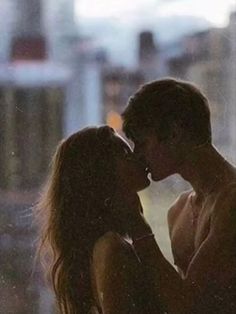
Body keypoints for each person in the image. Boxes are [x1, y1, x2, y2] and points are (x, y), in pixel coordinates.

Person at [121, 78, 236, 313]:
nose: (137, 155)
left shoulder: (232, 202)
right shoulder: (178, 211)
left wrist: (136, 224)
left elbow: (189, 304)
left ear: (173, 133)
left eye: (142, 143)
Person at [35, 126, 163, 314]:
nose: (138, 157)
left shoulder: (107, 244)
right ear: (101, 172)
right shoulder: (111, 247)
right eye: (125, 154)